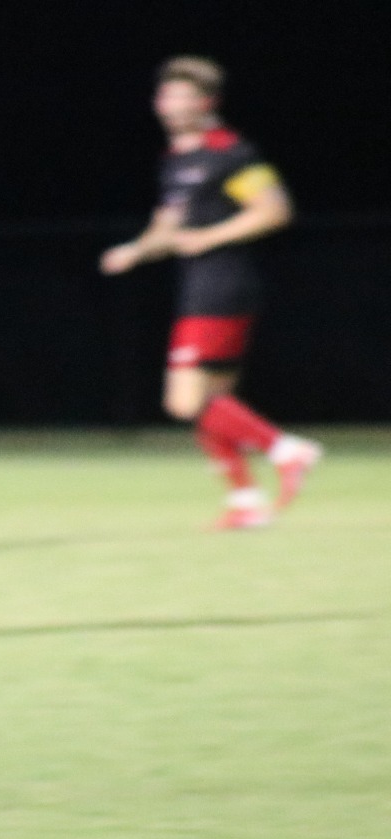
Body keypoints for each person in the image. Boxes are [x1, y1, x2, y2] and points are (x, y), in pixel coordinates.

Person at [100, 56, 322, 530]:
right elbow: (170, 224)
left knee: (184, 403)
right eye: (165, 96)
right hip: (199, 287)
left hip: (224, 286)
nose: (169, 105)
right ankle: (245, 501)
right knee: (213, 407)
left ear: (207, 102)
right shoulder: (176, 159)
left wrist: (209, 238)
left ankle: (285, 449)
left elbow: (274, 211)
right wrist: (136, 250)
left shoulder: (231, 153)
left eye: (182, 97)